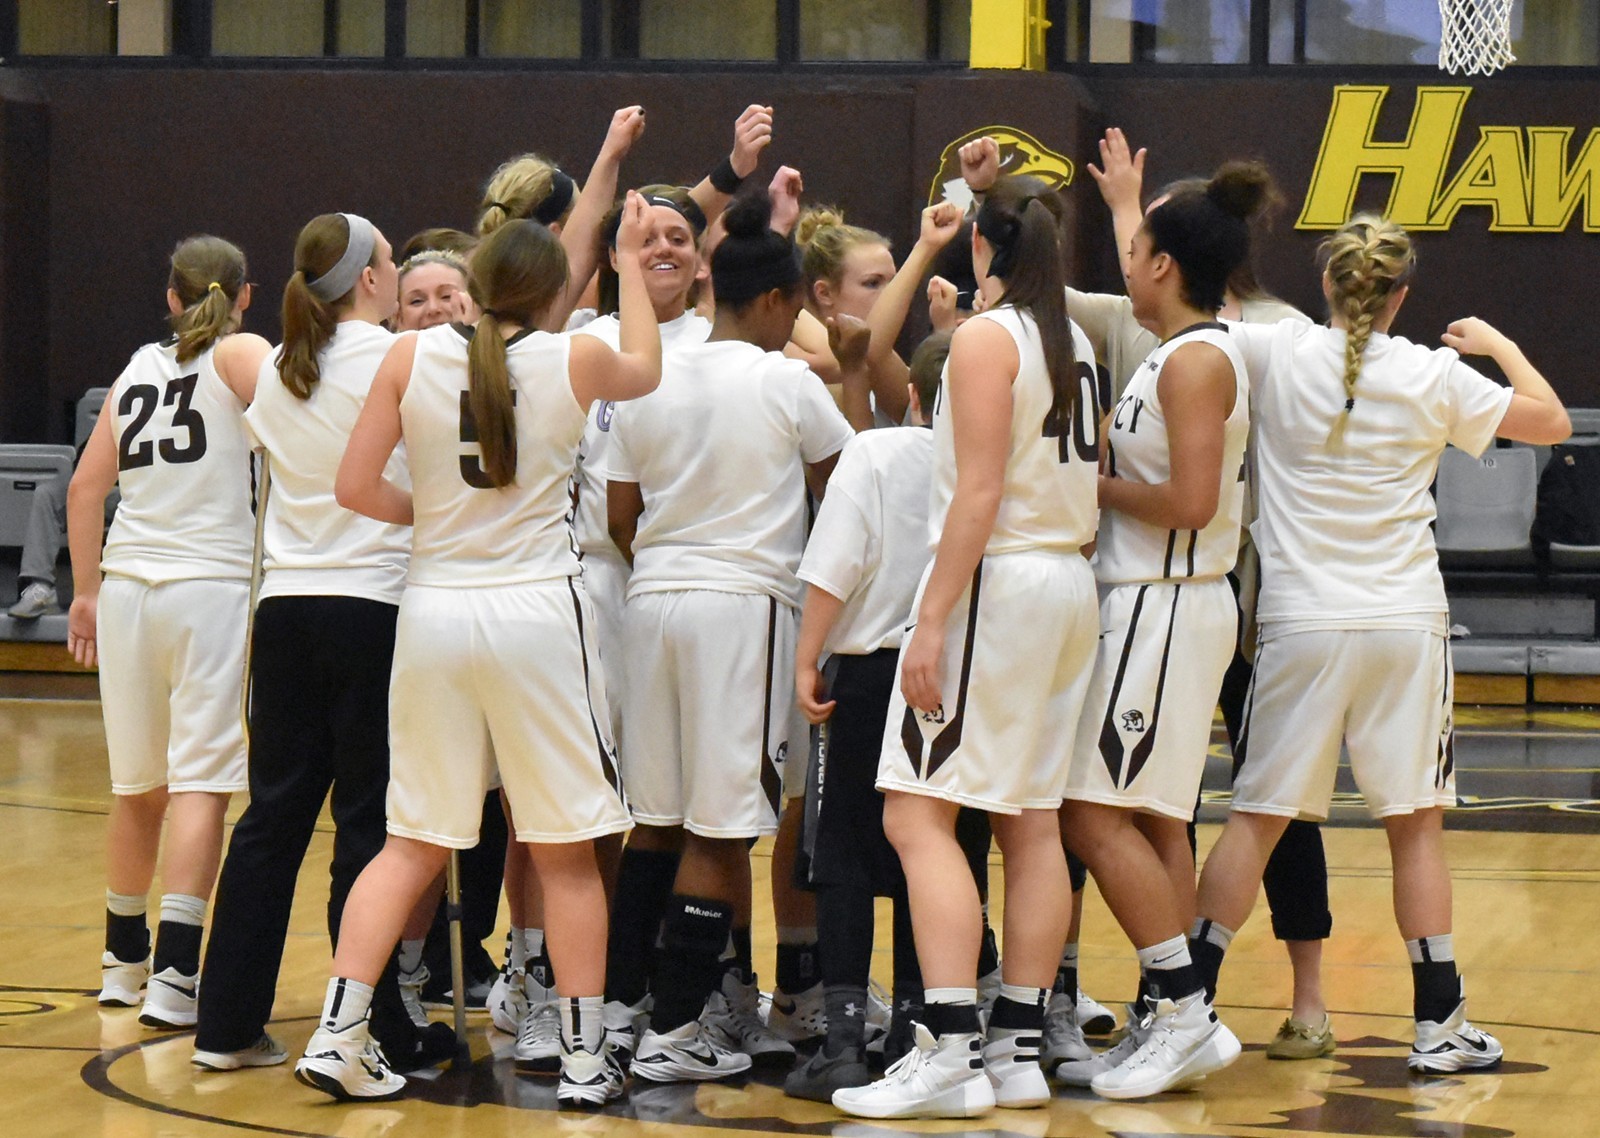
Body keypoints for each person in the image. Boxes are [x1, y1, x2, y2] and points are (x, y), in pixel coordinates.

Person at [294, 195, 662, 1107]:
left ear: (475, 287)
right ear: (551, 292)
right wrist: (623, 261)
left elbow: (351, 485)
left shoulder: (408, 354)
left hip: (432, 615)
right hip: (538, 616)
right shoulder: (573, 354)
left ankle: (338, 1033)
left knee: (412, 841)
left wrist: (439, 518)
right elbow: (648, 369)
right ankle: (582, 1060)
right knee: (567, 847)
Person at [1190, 213, 1570, 1076]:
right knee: (1415, 828)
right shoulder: (1435, 373)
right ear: (1401, 295)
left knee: (1253, 821)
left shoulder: (1271, 352)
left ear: (1328, 284)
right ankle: (1439, 1021)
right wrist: (1499, 343)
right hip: (1405, 622)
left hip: (1302, 620)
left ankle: (1186, 1004)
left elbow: (1177, 328)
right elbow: (1549, 420)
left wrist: (1139, 214)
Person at [834, 175, 1101, 1121]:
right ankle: (1018, 1047)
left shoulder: (990, 338)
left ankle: (948, 1047)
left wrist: (934, 615)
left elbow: (978, 496)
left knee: (914, 812)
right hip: (1066, 584)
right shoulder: (1074, 342)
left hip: (1004, 584)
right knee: (1030, 819)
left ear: (982, 246)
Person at [602, 188, 856, 1082]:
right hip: (743, 606)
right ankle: (677, 1032)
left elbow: (620, 514)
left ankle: (622, 1014)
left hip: (654, 603)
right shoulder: (789, 381)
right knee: (721, 830)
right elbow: (848, 494)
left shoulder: (650, 380)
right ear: (782, 303)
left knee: (656, 824)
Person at [191, 213, 454, 1073]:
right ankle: (372, 1028)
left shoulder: (275, 370)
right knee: (367, 824)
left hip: (286, 613)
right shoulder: (398, 360)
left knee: (270, 820)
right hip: (372, 609)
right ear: (373, 280)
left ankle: (225, 1024)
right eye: (389, 262)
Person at [1053, 163, 1274, 1100]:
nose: (1125, 262)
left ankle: (1186, 1011)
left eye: (1135, 248)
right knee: (1153, 818)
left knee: (1086, 812)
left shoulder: (1196, 361)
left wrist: (1084, 483)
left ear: (1165, 264)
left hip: (1165, 601)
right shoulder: (1178, 347)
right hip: (1165, 604)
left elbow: (1188, 501)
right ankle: (1167, 1012)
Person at [65, 236, 270, 1032]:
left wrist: (84, 593)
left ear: (174, 297)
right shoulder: (244, 356)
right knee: (200, 785)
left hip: (127, 590)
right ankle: (179, 976)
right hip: (208, 588)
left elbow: (86, 488)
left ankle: (123, 963)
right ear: (245, 295)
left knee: (135, 788)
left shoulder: (137, 367)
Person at [784, 325, 948, 1102]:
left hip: (869, 675)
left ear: (912, 394)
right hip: (950, 677)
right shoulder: (992, 466)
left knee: (844, 854)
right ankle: (920, 1026)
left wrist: (807, 656)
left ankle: (844, 1041)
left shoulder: (877, 453)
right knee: (934, 854)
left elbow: (832, 565)